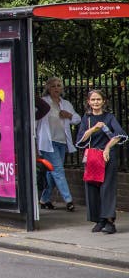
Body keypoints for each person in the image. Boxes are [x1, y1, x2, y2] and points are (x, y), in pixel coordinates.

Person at [75, 89, 127, 234]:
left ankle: (110, 222)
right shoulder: (86, 118)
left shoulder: (109, 117)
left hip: (107, 157)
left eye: (98, 99)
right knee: (92, 189)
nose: (96, 102)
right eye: (93, 100)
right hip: (92, 157)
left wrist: (107, 148)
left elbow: (120, 134)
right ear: (88, 102)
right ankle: (100, 220)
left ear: (103, 101)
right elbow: (80, 140)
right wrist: (93, 129)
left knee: (107, 189)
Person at [36, 77, 81, 211]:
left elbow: (77, 119)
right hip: (47, 143)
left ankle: (44, 199)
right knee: (58, 170)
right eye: (53, 86)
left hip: (62, 142)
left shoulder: (66, 103)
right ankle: (69, 200)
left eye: (59, 86)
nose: (56, 88)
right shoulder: (44, 102)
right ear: (48, 88)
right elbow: (35, 122)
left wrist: (69, 116)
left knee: (52, 172)